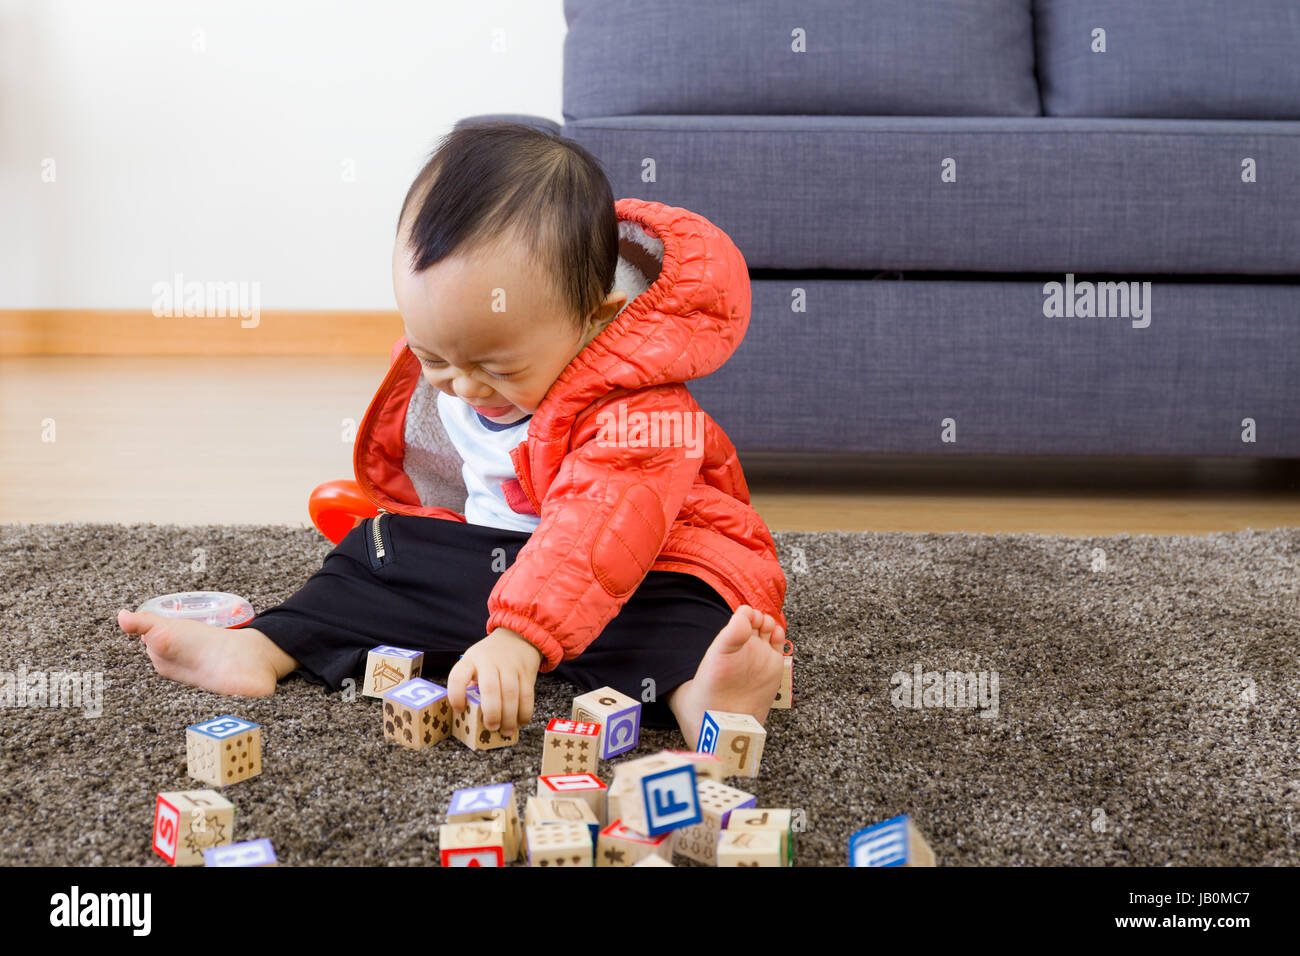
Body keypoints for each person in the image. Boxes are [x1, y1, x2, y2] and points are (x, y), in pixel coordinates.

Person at [117, 123, 789, 748]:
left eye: (497, 368)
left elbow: (594, 542)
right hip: (505, 570)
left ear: (594, 314)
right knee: (378, 551)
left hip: (651, 568)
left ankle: (703, 691)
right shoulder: (468, 357)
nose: (464, 386)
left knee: (691, 617)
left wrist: (519, 639)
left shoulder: (638, 410)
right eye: (435, 358)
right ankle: (262, 646)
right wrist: (450, 570)